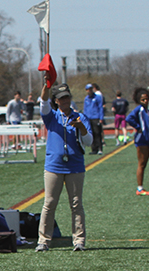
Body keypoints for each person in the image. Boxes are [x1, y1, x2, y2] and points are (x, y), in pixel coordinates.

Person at [36, 78, 92, 252]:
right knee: (49, 203)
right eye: (61, 98)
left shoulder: (80, 117)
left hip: (75, 166)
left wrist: (81, 127)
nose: (65, 101)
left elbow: (89, 141)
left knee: (76, 204)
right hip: (54, 166)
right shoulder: (51, 116)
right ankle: (43, 240)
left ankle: (79, 240)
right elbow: (43, 101)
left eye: (67, 97)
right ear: (56, 101)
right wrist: (47, 84)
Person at [125, 87, 149, 196]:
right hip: (141, 139)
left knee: (144, 163)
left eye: (147, 99)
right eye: (143, 99)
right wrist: (138, 127)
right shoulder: (139, 109)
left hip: (147, 139)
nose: (145, 101)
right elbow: (129, 118)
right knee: (141, 164)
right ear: (139, 100)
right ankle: (139, 188)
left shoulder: (148, 111)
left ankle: (141, 187)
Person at [83, 83, 104, 155]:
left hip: (96, 117)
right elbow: (85, 109)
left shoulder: (97, 97)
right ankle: (94, 149)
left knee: (97, 133)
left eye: (91, 89)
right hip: (89, 118)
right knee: (91, 134)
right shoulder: (86, 99)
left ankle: (99, 148)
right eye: (88, 89)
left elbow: (100, 107)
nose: (90, 91)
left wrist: (101, 117)